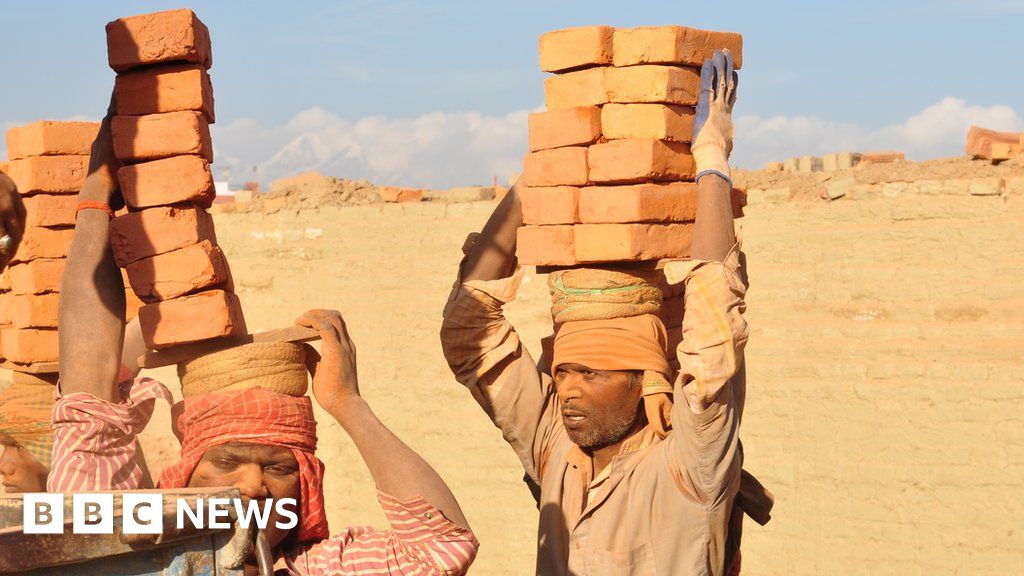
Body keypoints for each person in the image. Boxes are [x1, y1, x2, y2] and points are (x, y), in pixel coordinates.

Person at [48, 95, 479, 576]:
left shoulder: (316, 569)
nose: (253, 487)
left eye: (279, 468)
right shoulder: (133, 560)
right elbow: (89, 394)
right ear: (186, 475)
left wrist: (348, 404)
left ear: (306, 490)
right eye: (228, 460)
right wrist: (95, 201)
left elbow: (442, 550)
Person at [441, 49, 768, 575]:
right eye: (564, 370)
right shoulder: (555, 448)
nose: (566, 389)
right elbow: (469, 335)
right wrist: (543, 181)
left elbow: (712, 334)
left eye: (591, 374)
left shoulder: (687, 464)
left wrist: (711, 158)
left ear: (643, 378)